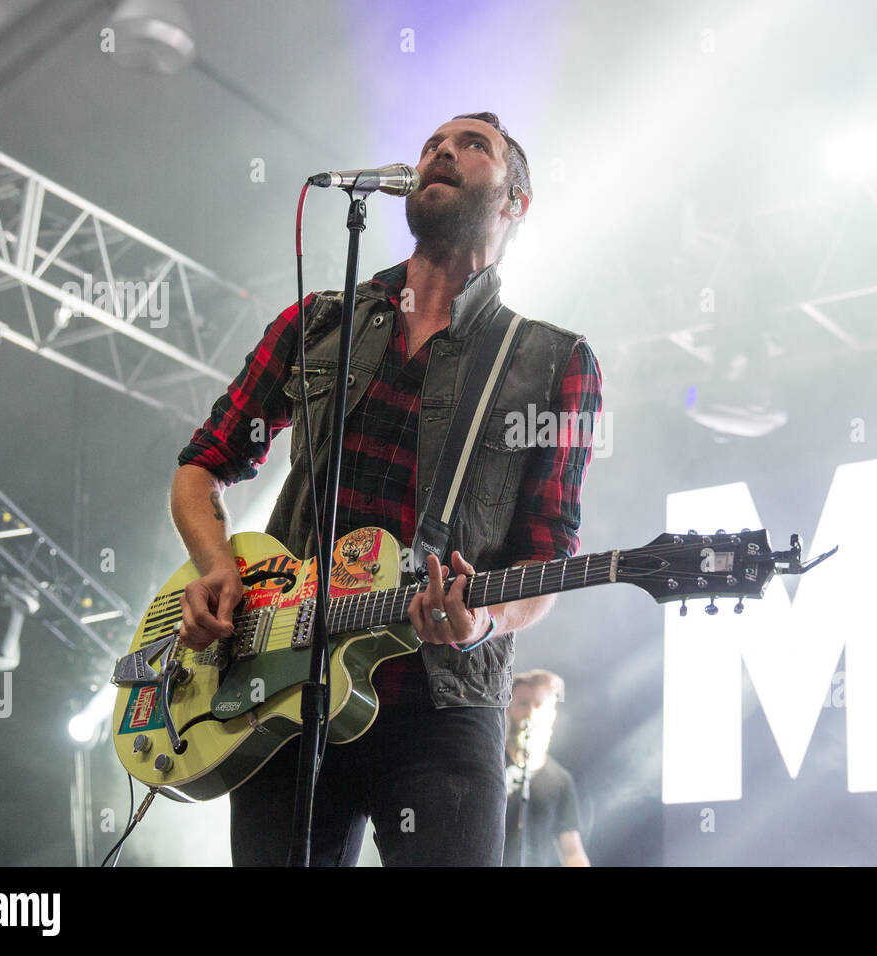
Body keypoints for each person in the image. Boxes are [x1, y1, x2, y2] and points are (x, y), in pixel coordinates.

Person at [168, 111, 602, 866]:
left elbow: (548, 556)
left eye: (473, 146)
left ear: (514, 203)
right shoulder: (319, 322)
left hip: (442, 704)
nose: (442, 151)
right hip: (286, 687)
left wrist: (483, 623)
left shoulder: (553, 361)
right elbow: (203, 463)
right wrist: (216, 565)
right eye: (434, 142)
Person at [504, 669, 591, 867]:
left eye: (539, 705)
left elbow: (572, 852)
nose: (531, 712)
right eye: (523, 704)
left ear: (551, 715)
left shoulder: (559, 780)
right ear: (507, 709)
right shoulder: (488, 768)